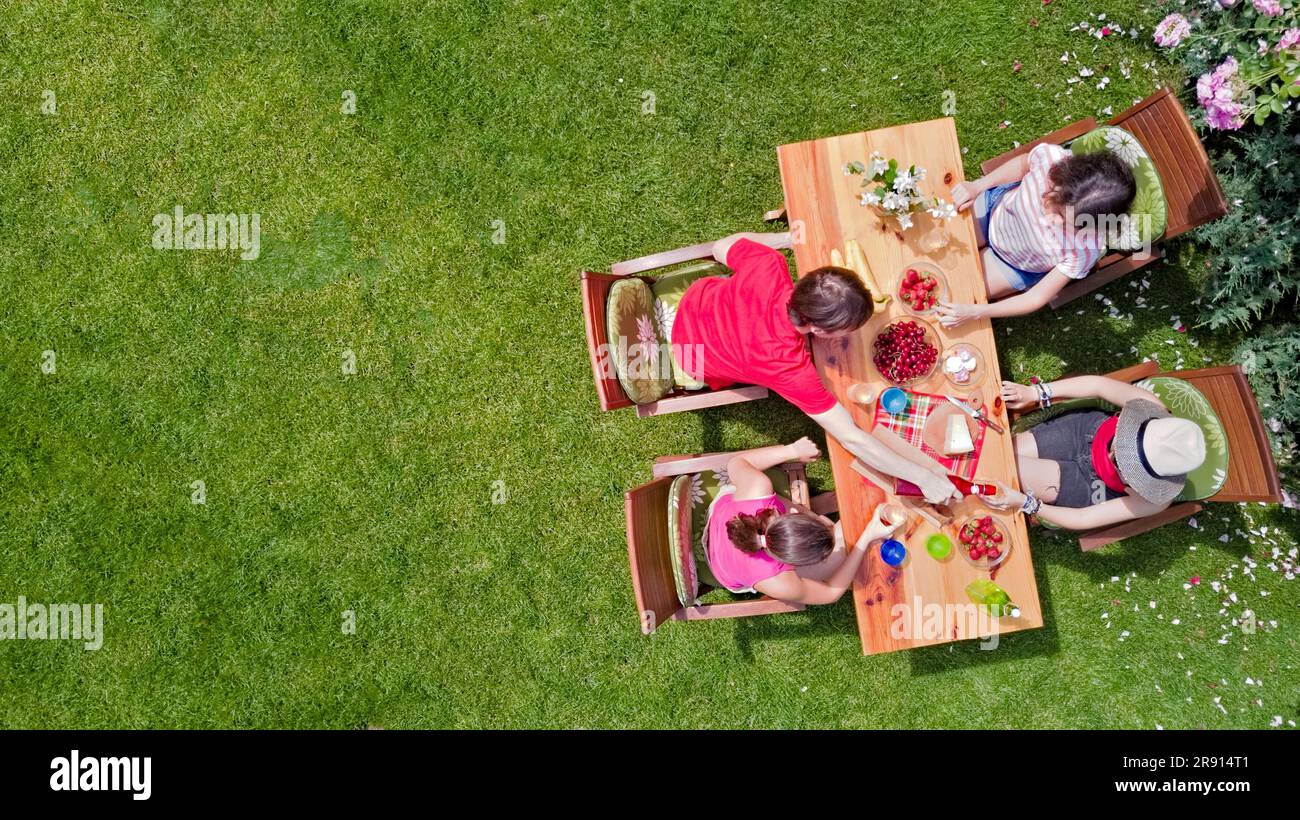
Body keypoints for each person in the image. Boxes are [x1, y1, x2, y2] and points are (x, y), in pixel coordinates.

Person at [671, 231, 960, 504]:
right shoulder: (789, 368)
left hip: (694, 303)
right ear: (819, 331)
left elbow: (721, 246)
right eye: (844, 332)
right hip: (694, 357)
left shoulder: (769, 263)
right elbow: (852, 438)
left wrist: (784, 239)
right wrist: (923, 477)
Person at [935, 145, 1135, 327]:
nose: (1053, 221)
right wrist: (978, 186)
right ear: (1058, 178)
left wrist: (976, 311)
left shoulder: (1084, 249)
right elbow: (1023, 165)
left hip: (1011, 265)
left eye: (1069, 224)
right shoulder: (1051, 160)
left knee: (951, 287)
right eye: (1056, 209)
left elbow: (1036, 297)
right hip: (992, 212)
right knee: (936, 243)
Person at [981, 376, 1207, 530]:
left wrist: (1026, 503)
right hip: (1084, 432)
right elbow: (1097, 385)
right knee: (996, 452)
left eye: (1123, 464)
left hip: (1091, 485)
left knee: (1000, 468)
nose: (1111, 456)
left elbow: (1084, 518)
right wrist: (1035, 392)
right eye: (1122, 444)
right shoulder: (1151, 406)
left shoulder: (1155, 500)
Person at [704, 438, 903, 605]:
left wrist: (792, 450)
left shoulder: (757, 490)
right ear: (791, 564)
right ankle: (825, 514)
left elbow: (736, 462)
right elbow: (830, 593)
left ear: (779, 515)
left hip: (724, 516)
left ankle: (817, 509)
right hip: (722, 566)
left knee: (840, 542)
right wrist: (865, 538)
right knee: (842, 549)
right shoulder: (778, 581)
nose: (827, 524)